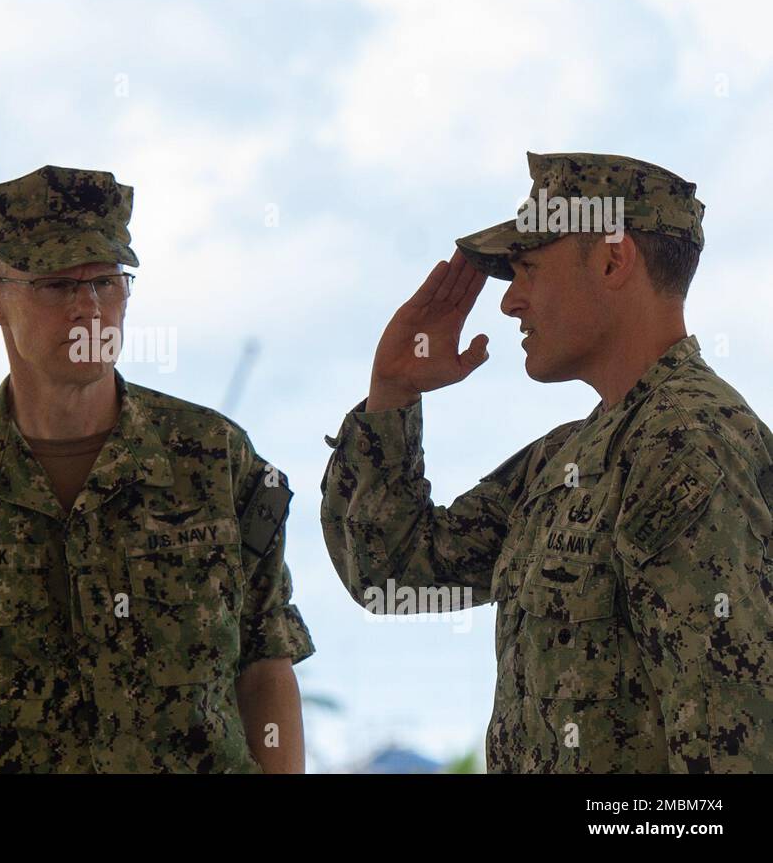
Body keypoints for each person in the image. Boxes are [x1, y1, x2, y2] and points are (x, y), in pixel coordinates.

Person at [0, 164, 313, 773]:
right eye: (58, 285)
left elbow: (266, 662)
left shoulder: (215, 460)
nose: (89, 306)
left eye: (109, 281)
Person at [322, 151, 773, 773]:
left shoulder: (687, 443)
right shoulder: (571, 457)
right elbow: (395, 577)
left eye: (528, 267)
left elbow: (736, 748)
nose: (510, 303)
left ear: (614, 259)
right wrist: (392, 393)